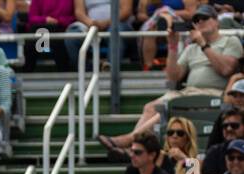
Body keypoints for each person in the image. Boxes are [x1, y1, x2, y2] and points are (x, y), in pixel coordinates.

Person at [100, 9, 242, 156]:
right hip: (189, 92)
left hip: (214, 93)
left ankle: (130, 141)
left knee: (165, 109)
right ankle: (133, 149)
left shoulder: (230, 41)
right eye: (196, 19)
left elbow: (226, 69)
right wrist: (172, 47)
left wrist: (203, 44)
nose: (199, 22)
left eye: (204, 18)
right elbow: (173, 77)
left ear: (216, 21)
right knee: (150, 107)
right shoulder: (192, 48)